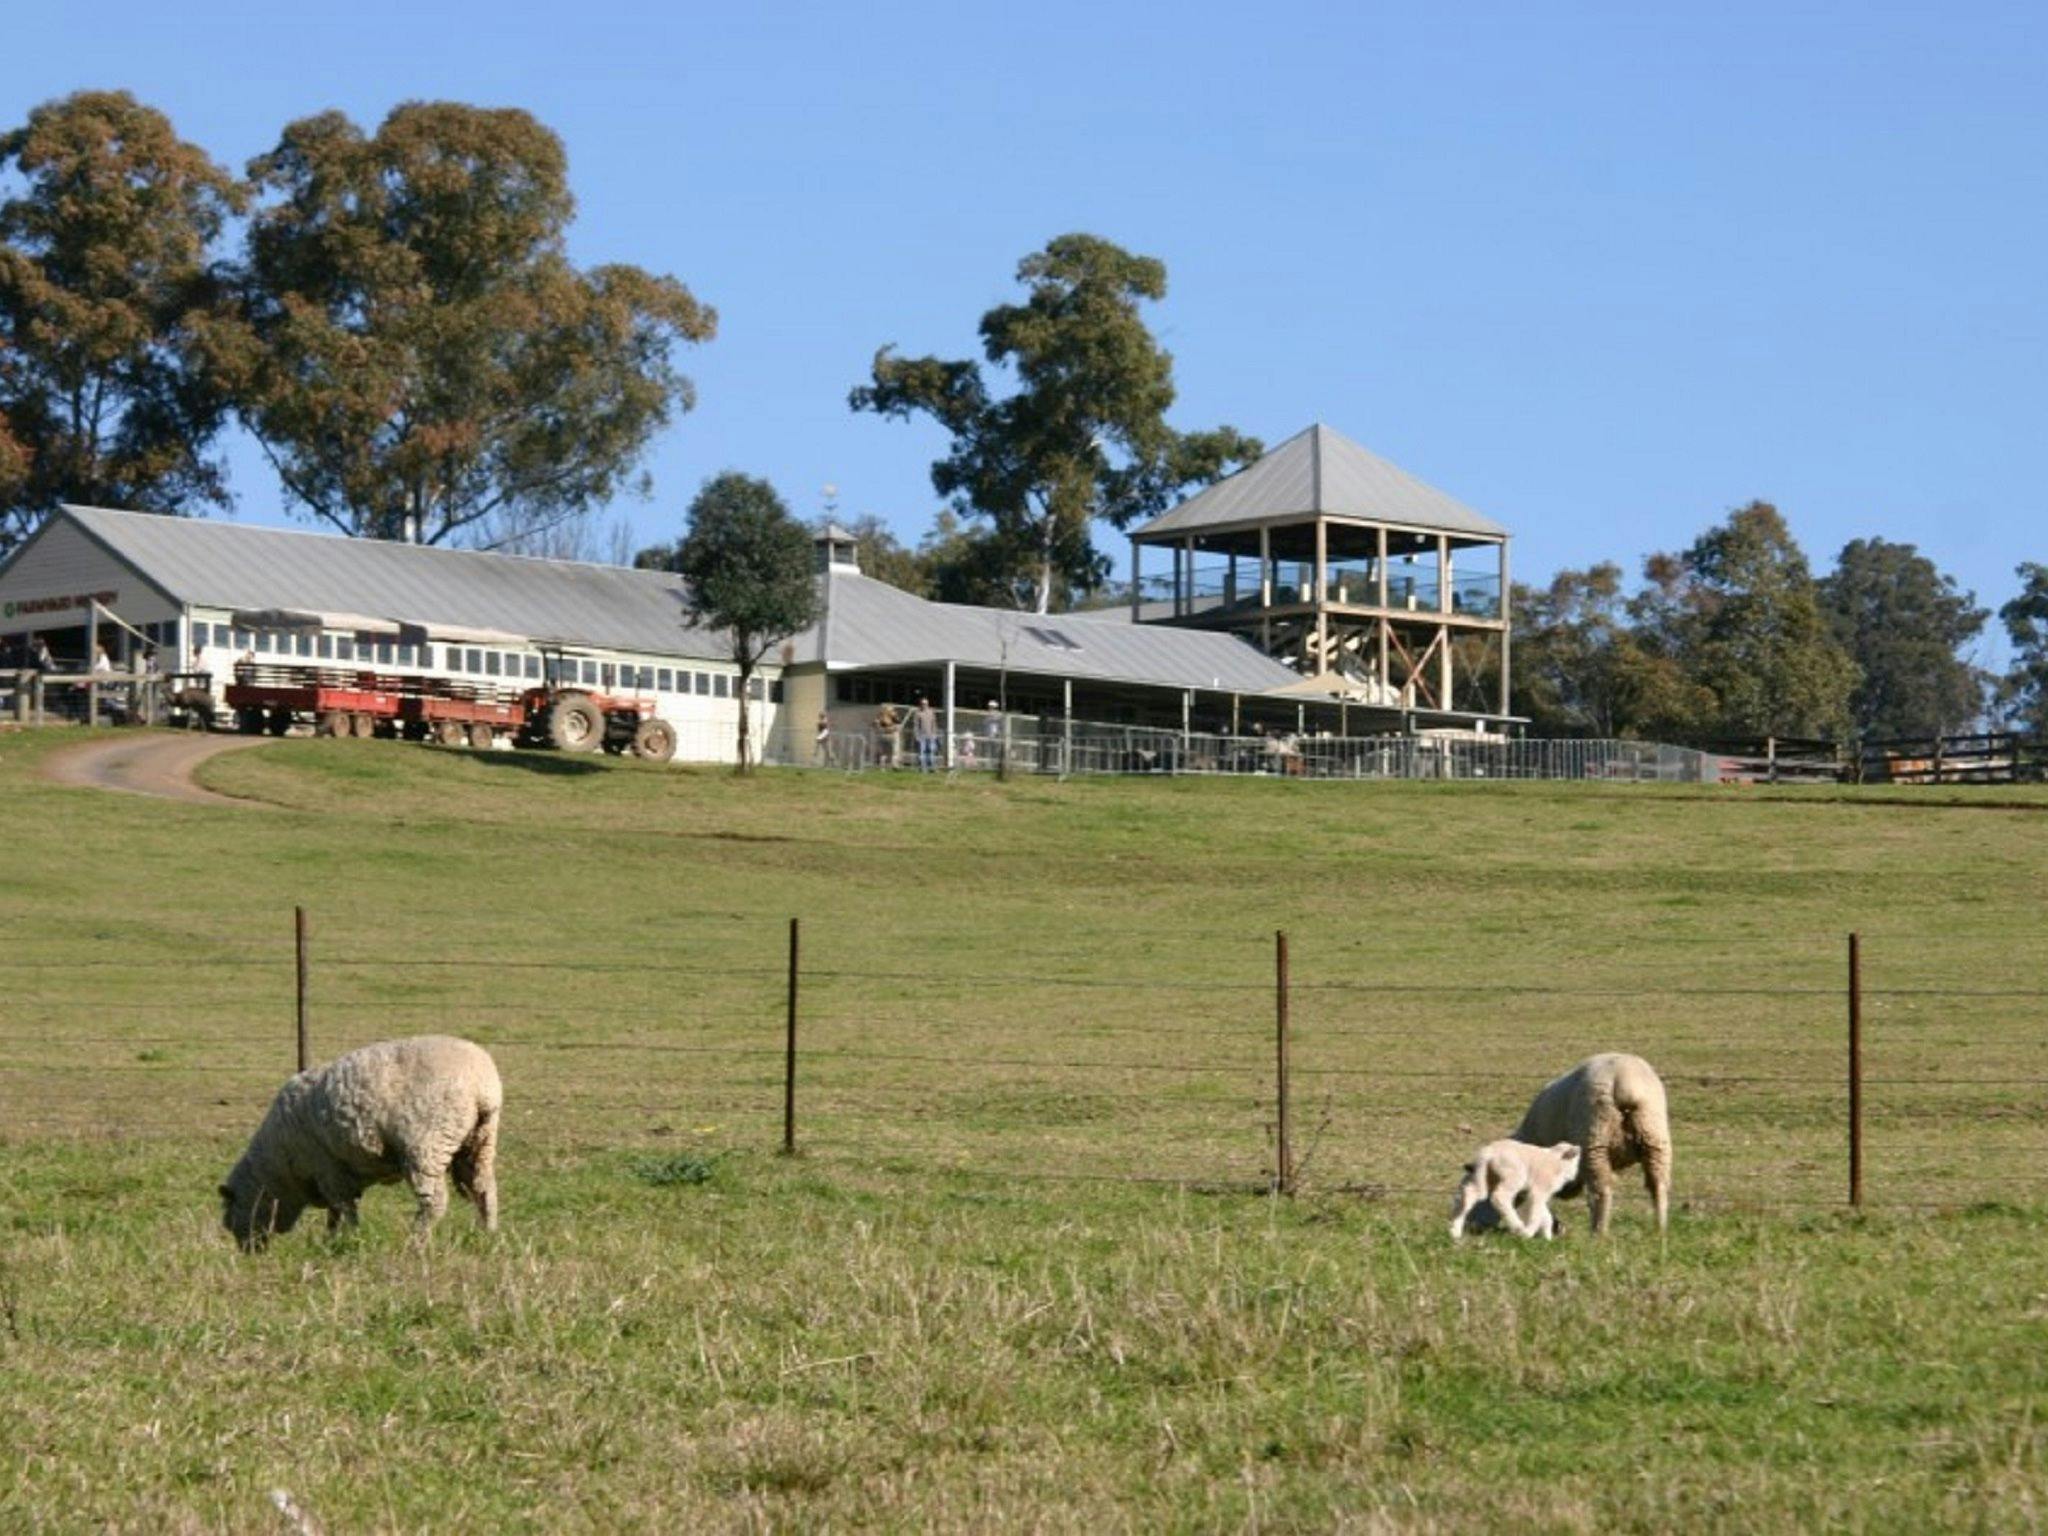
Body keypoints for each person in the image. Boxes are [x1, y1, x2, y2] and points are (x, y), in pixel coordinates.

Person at [912, 695, 940, 772]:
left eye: (926, 704)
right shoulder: (918, 713)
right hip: (921, 736)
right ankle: (923, 768)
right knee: (922, 753)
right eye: (923, 704)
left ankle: (932, 768)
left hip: (931, 736)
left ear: (928, 704)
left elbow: (934, 724)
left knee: (931, 752)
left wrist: (935, 734)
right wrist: (917, 736)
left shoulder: (931, 712)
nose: (924, 705)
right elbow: (916, 725)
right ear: (920, 704)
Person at [873, 701, 902, 768]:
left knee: (884, 752)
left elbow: (875, 724)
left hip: (883, 735)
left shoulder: (881, 715)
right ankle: (894, 764)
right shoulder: (893, 714)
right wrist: (894, 728)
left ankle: (882, 765)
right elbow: (899, 724)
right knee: (895, 751)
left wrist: (880, 729)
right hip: (892, 734)